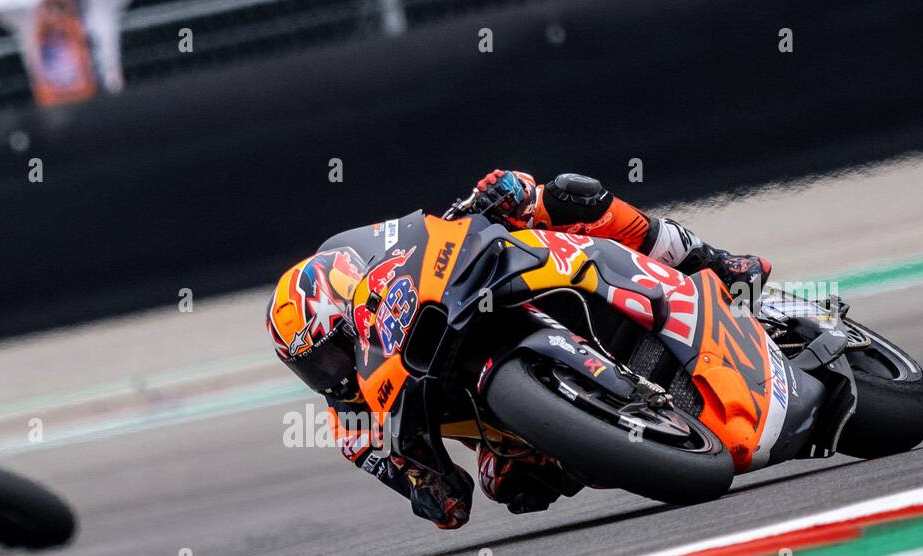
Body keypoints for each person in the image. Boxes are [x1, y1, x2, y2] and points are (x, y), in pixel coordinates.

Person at [266, 169, 771, 529]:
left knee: (565, 195)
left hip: (479, 298)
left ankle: (715, 261)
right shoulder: (354, 429)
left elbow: (435, 235)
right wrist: (426, 482)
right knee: (504, 484)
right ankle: (607, 435)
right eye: (311, 367)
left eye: (330, 351)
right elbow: (448, 505)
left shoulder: (384, 269)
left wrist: (495, 197)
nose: (328, 372)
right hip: (505, 429)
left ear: (351, 308)